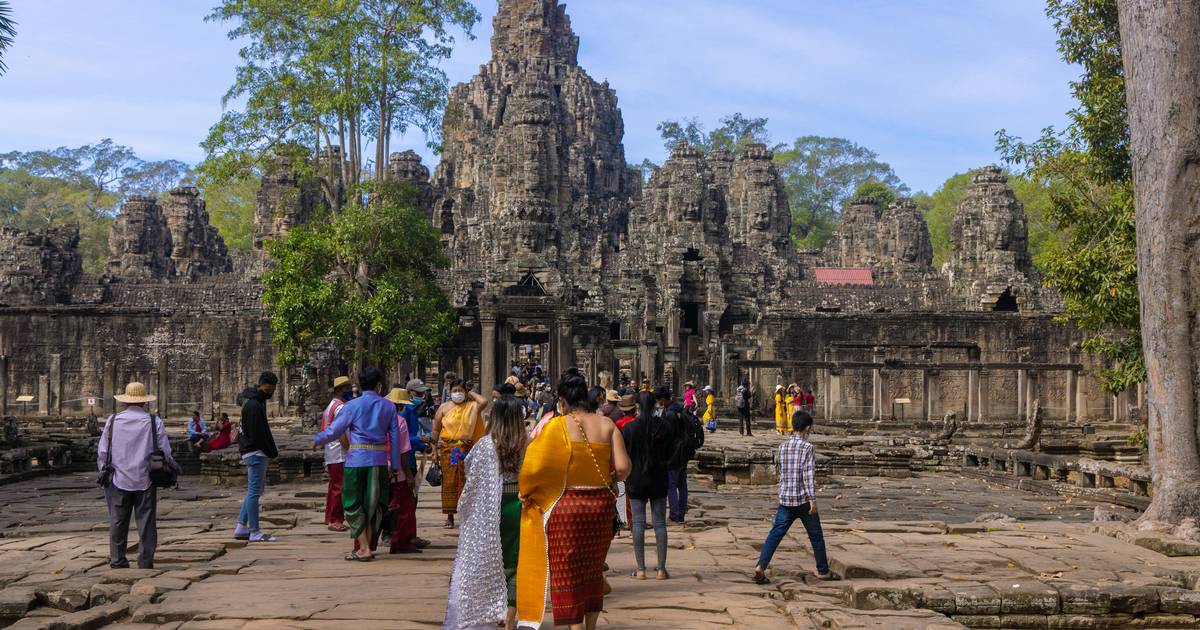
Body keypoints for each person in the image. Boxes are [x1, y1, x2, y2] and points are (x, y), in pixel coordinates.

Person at [516, 369, 631, 630]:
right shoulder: (606, 425)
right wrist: (606, 475)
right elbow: (623, 468)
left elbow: (534, 469)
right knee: (592, 569)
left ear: (562, 401)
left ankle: (575, 626)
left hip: (566, 508)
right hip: (600, 507)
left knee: (566, 570)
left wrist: (528, 493)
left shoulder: (556, 426)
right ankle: (589, 626)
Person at [445, 395, 529, 630]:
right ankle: (510, 617)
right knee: (517, 564)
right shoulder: (527, 443)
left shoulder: (484, 445)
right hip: (520, 507)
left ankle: (495, 609)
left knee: (494, 563)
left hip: (491, 509)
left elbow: (470, 469)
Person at [312, 367, 406, 562]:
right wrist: (395, 464)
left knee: (352, 503)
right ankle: (368, 545)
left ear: (360, 386)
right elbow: (395, 438)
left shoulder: (351, 406)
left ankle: (364, 547)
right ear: (379, 386)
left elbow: (334, 431)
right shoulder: (388, 407)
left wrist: (318, 439)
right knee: (375, 504)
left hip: (356, 461)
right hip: (380, 461)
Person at [753, 410, 841, 584]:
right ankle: (822, 570)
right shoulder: (808, 448)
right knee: (816, 535)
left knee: (775, 534)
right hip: (802, 500)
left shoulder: (783, 446)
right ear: (807, 428)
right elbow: (807, 476)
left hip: (786, 498)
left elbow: (781, 473)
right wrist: (812, 501)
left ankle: (760, 566)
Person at [97, 382, 178, 569]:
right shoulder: (153, 421)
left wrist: (103, 471)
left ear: (125, 401)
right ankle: (145, 560)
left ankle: (118, 560)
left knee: (117, 521)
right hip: (146, 478)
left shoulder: (113, 420)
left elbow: (103, 452)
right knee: (147, 523)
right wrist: (173, 467)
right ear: (144, 402)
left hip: (118, 478)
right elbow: (165, 451)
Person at [621, 390, 675, 581]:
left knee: (638, 522)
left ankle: (641, 569)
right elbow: (671, 451)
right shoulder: (664, 427)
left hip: (636, 479)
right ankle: (661, 569)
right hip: (659, 477)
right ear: (654, 407)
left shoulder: (629, 429)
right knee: (660, 523)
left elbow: (624, 454)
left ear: (636, 407)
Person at [433, 379, 488, 528]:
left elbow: (484, 401)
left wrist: (470, 393)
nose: (457, 393)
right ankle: (449, 517)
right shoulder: (444, 408)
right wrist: (434, 450)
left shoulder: (472, 407)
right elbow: (436, 429)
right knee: (449, 483)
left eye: (460, 391)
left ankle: (467, 515)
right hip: (447, 450)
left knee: (467, 482)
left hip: (466, 450)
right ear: (450, 392)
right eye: (455, 390)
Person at [236, 371, 279, 543]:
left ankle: (241, 525)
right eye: (267, 390)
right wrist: (271, 452)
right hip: (255, 452)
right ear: (260, 385)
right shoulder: (254, 405)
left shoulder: (254, 401)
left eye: (272, 391)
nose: (269, 393)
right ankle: (254, 531)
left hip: (252, 451)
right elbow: (258, 435)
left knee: (253, 491)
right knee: (254, 493)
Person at [383, 387, 420, 554]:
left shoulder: (378, 420)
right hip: (398, 471)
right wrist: (410, 475)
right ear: (399, 406)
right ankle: (401, 541)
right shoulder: (399, 421)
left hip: (378, 467)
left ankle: (371, 540)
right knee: (404, 507)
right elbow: (403, 451)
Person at [398, 378, 433, 550]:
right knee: (407, 499)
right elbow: (401, 438)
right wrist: (420, 440)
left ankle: (409, 533)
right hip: (404, 460)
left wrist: (422, 446)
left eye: (423, 393)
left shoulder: (413, 411)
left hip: (410, 456)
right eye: (419, 393)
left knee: (412, 499)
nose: (422, 396)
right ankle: (403, 534)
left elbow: (410, 436)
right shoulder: (404, 411)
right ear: (410, 394)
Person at [321, 376, 354, 533]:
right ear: (340, 390)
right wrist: (350, 449)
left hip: (331, 451)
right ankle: (335, 520)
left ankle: (330, 516)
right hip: (339, 452)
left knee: (334, 485)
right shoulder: (340, 407)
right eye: (348, 388)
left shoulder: (331, 406)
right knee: (339, 487)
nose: (350, 391)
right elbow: (341, 432)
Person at [655, 387, 689, 524]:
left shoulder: (669, 415)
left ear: (663, 399)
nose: (658, 403)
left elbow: (667, 437)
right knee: (682, 485)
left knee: (671, 485)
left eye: (658, 400)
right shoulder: (681, 410)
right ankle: (681, 513)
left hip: (673, 454)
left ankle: (674, 515)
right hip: (683, 453)